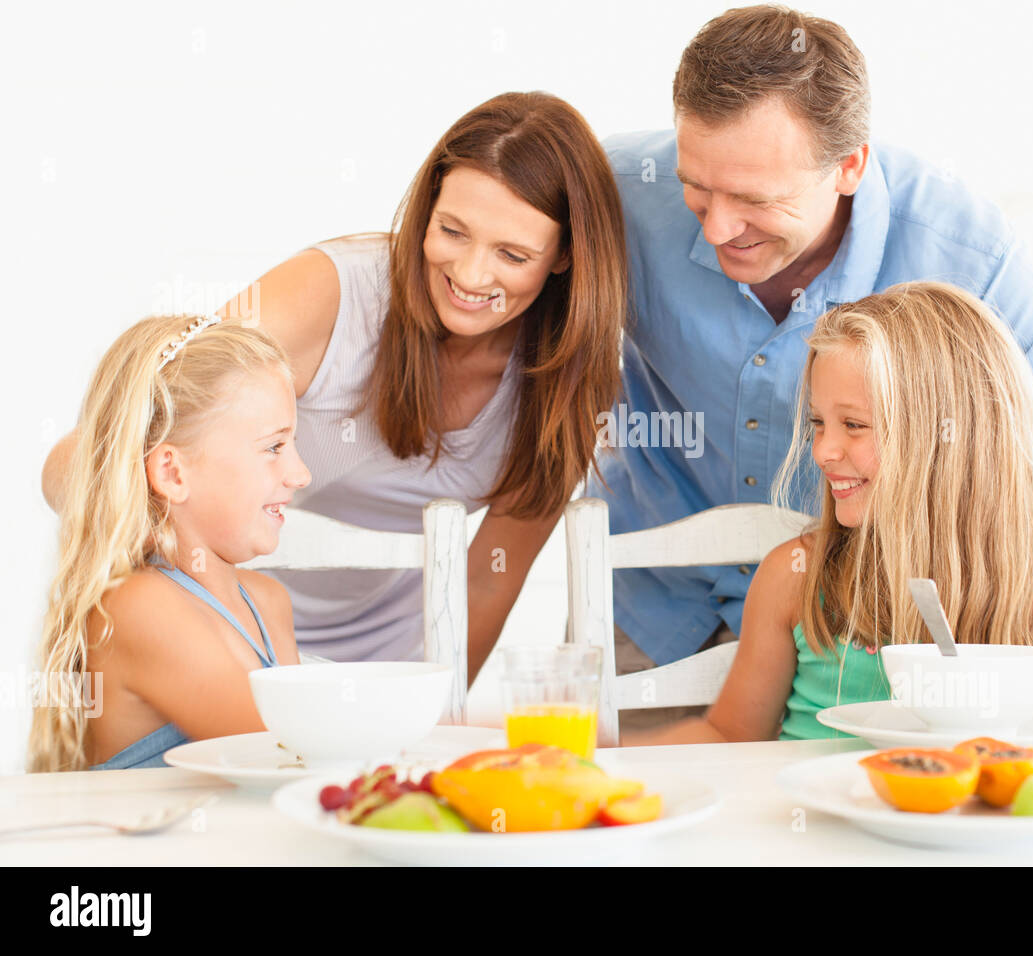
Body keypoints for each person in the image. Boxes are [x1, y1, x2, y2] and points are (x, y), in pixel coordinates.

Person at [595, 4, 1033, 729]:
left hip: (875, 636)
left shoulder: (968, 254)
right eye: (697, 189)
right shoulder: (615, 188)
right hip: (655, 611)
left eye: (753, 200)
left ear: (850, 166)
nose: (716, 228)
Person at [43, 92, 627, 680]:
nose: (471, 275)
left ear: (564, 257)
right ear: (427, 210)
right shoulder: (328, 293)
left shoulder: (567, 384)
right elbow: (83, 465)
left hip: (393, 671)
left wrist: (425, 716)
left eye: (512, 254)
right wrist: (194, 595)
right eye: (451, 231)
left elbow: (487, 580)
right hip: (228, 636)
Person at [626, 283, 1033, 744]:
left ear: (949, 438)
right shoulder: (795, 576)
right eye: (818, 423)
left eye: (854, 424)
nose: (824, 450)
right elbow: (729, 736)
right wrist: (590, 756)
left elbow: (1025, 762)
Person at [29, 315, 311, 771]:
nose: (301, 474)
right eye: (274, 447)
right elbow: (290, 758)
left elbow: (300, 785)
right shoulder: (138, 609)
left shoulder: (268, 603)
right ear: (173, 473)